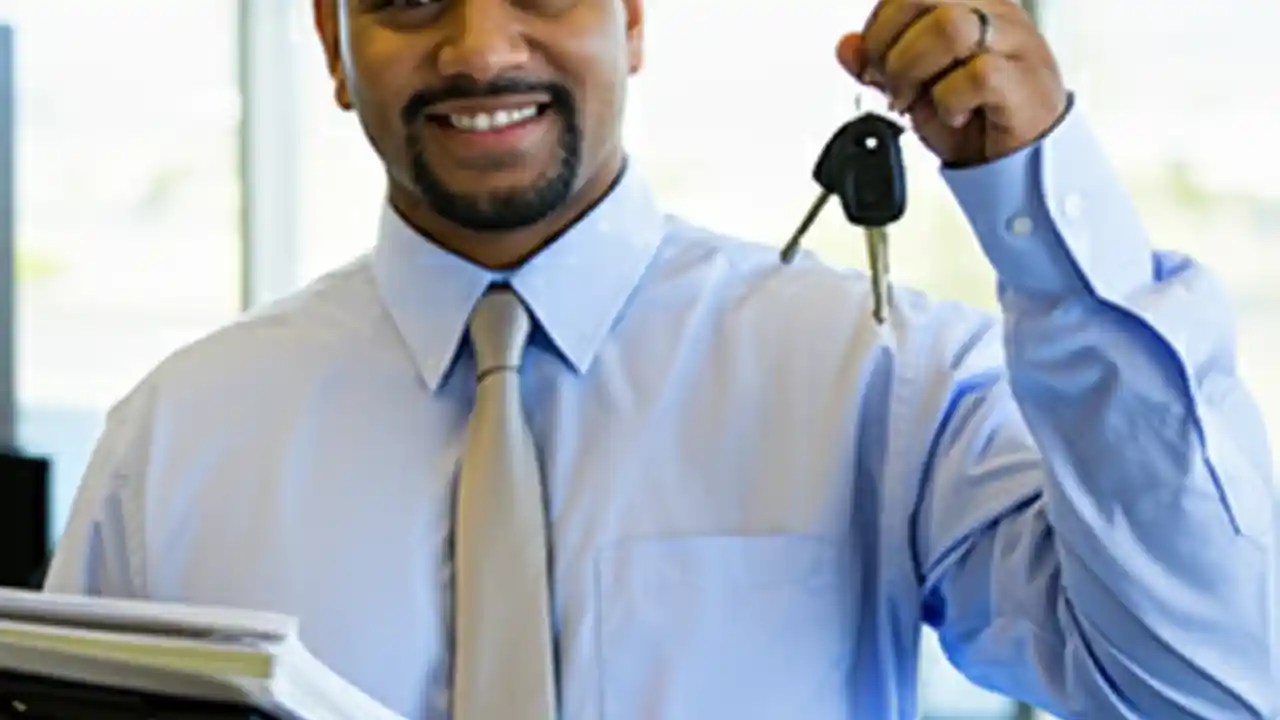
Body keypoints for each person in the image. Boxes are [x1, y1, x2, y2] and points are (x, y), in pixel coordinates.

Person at [43, 0, 1278, 718]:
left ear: (630, 20)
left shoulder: (878, 375)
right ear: (329, 41)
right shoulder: (173, 440)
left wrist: (1043, 215)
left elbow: (1201, 686)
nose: (478, 49)